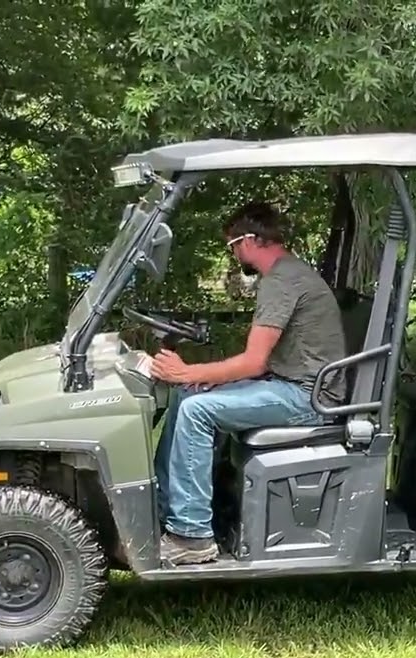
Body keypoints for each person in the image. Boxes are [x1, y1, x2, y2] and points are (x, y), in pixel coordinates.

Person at [148, 200, 348, 565]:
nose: (234, 253)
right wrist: (193, 379)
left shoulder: (282, 281)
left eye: (233, 244)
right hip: (291, 383)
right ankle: (167, 507)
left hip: (308, 397)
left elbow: (253, 362)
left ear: (252, 240)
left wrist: (188, 371)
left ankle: (191, 536)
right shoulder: (284, 275)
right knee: (186, 395)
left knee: (195, 409)